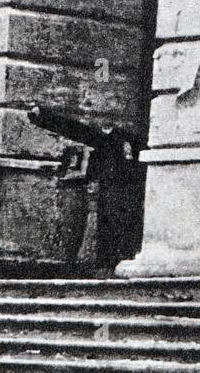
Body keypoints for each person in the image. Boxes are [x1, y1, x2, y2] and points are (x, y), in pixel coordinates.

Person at [26, 104, 145, 269]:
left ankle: (113, 263)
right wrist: (42, 117)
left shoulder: (129, 139)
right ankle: (107, 265)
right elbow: (73, 128)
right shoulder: (102, 137)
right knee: (106, 227)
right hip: (108, 190)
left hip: (125, 192)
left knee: (118, 227)